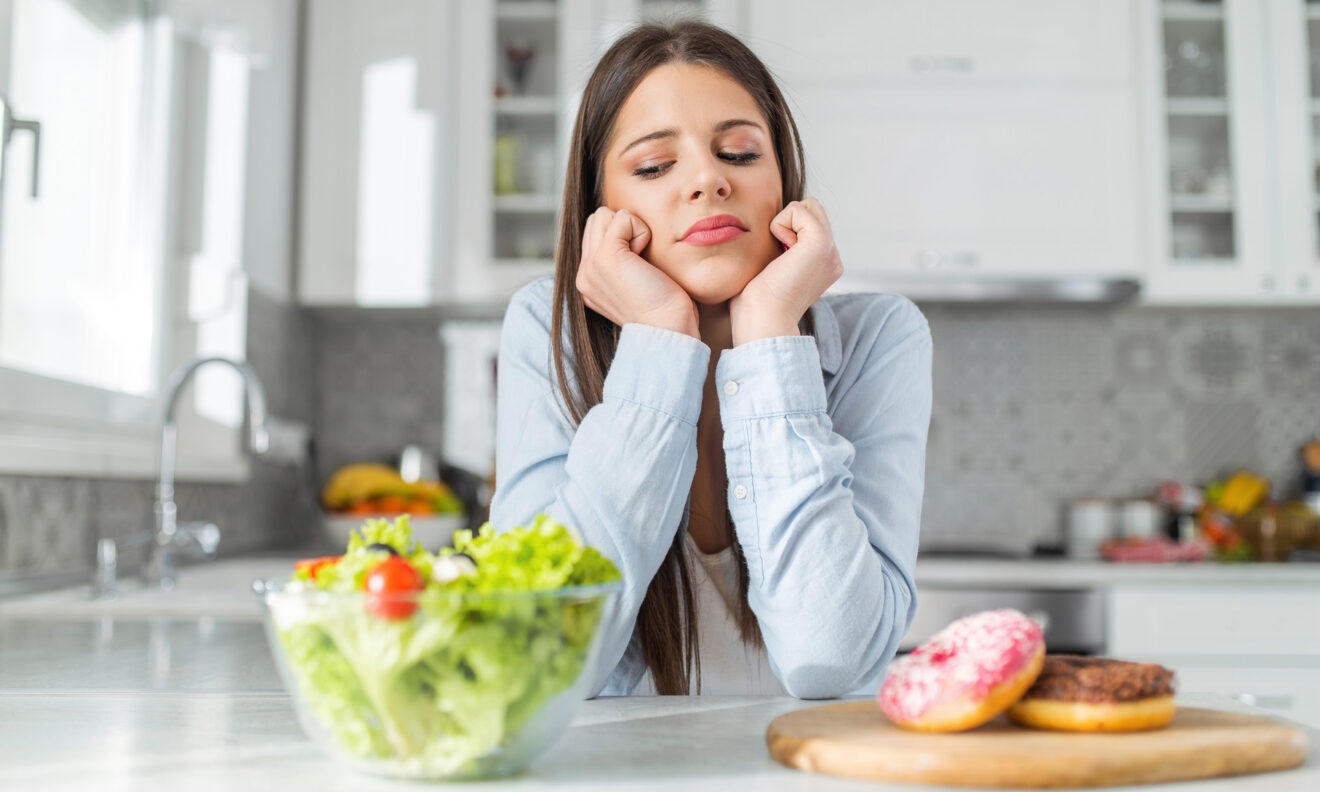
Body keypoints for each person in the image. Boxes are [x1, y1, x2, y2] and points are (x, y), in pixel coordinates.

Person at [489, 20, 932, 698]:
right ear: (602, 211)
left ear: (783, 183)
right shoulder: (543, 330)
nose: (707, 180)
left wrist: (770, 335)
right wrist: (662, 341)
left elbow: (832, 657)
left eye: (739, 153)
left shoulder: (884, 337)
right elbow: (535, 657)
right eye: (654, 167)